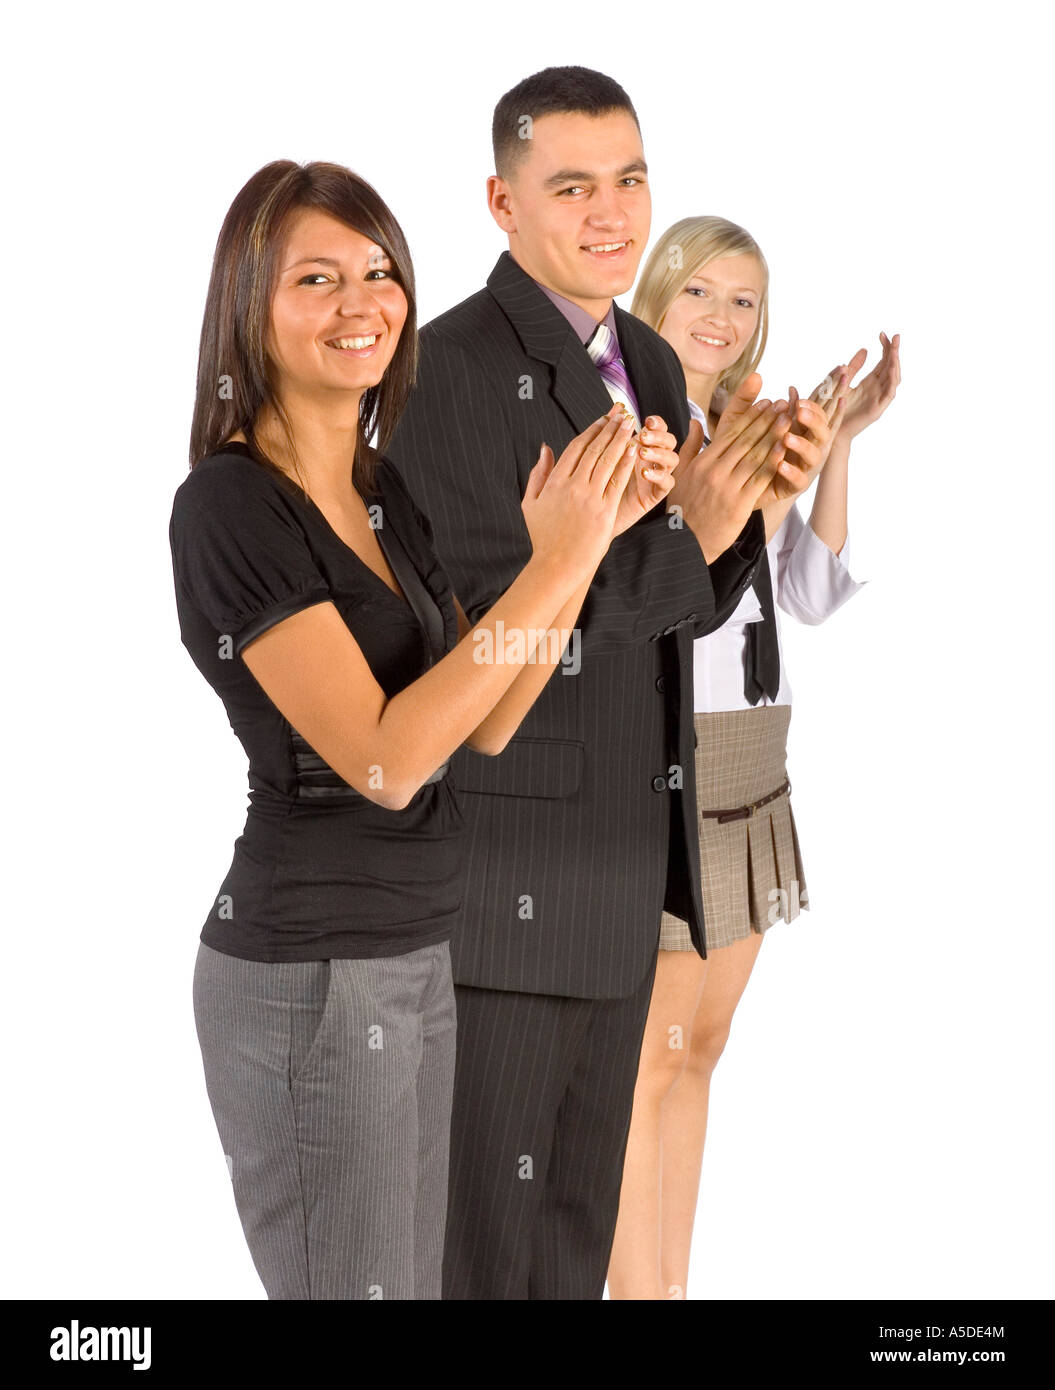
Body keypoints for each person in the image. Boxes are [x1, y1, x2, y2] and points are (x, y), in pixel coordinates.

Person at [169, 158, 673, 1300]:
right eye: (315, 278)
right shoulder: (230, 508)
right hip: (313, 978)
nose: (363, 304)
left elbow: (485, 719)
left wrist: (583, 547)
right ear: (247, 308)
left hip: (416, 953)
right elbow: (389, 759)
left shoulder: (380, 489)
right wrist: (550, 560)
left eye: (380, 271)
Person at [384, 68, 837, 1299]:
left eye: (628, 179)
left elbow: (670, 591)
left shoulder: (640, 350)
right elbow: (505, 645)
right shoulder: (445, 376)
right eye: (570, 185)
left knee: (574, 1248)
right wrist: (693, 524)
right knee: (488, 1255)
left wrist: (749, 503)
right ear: (500, 201)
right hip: (508, 892)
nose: (610, 213)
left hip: (629, 870)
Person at [606, 214, 901, 1299]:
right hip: (669, 758)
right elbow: (661, 607)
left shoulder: (741, 424)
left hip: (754, 763)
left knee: (703, 1045)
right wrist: (759, 486)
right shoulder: (634, 433)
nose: (720, 320)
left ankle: (666, 1288)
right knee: (646, 1058)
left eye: (741, 301)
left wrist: (837, 450)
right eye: (697, 294)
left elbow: (808, 596)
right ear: (655, 299)